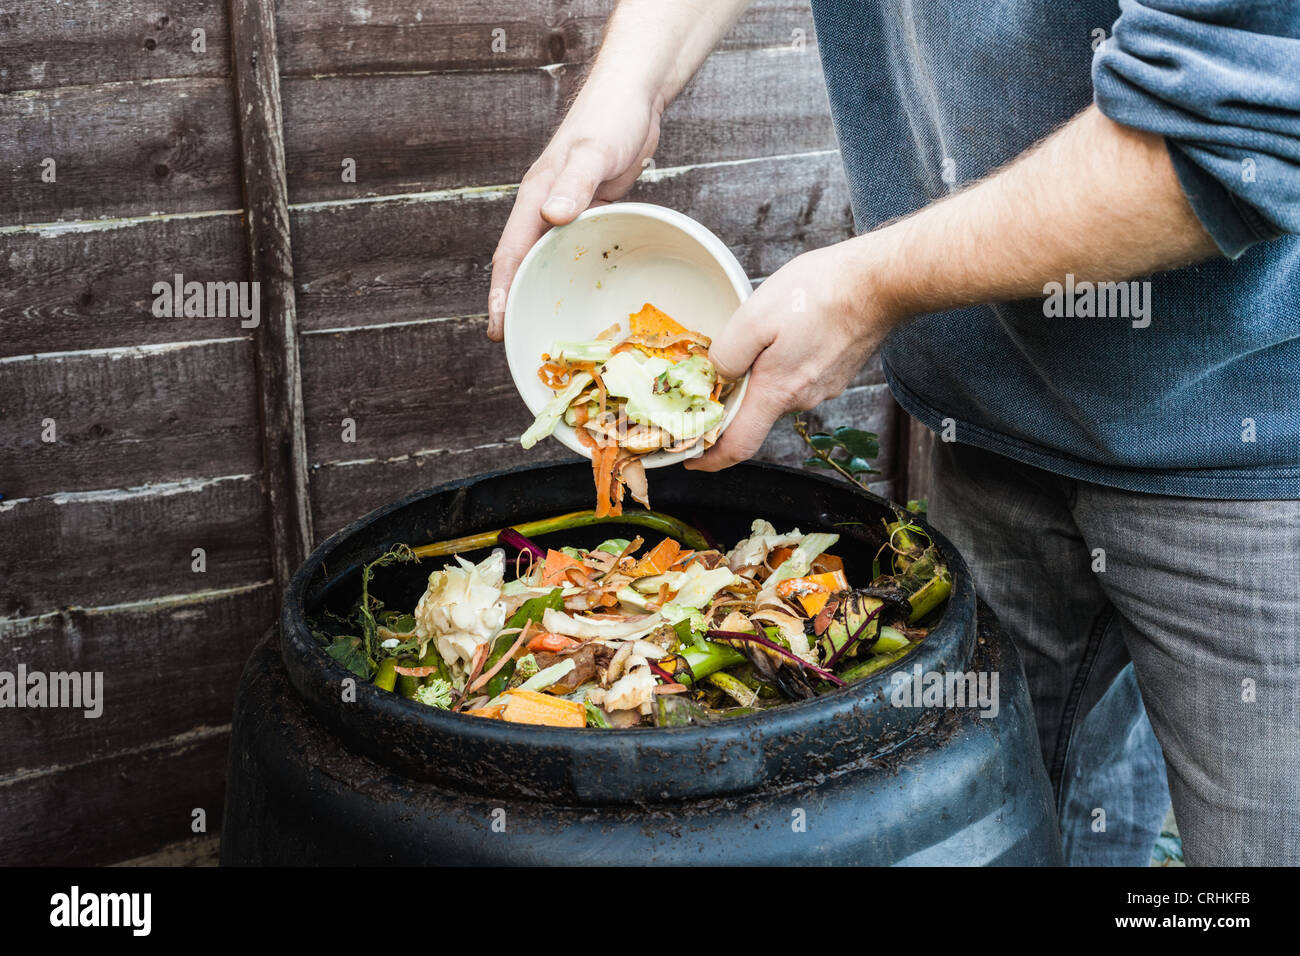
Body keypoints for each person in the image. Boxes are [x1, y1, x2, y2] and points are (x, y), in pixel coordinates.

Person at [486, 0, 1300, 866]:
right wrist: (629, 82)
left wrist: (868, 289)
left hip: (1249, 454)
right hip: (985, 416)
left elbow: (1222, 136)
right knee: (1007, 828)